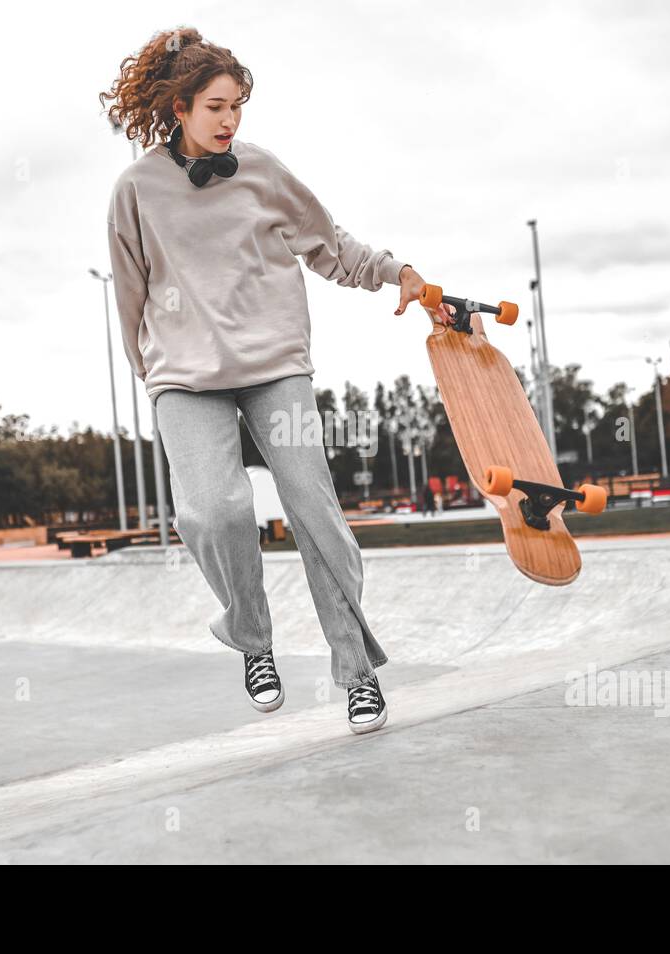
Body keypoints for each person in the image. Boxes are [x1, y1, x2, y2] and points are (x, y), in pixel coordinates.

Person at [100, 27, 454, 734]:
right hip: (185, 379)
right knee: (213, 512)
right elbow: (130, 294)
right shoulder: (135, 190)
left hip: (274, 368)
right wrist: (152, 379)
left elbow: (329, 243)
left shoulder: (261, 170)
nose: (230, 121)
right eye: (215, 107)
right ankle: (252, 640)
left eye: (238, 106)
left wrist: (398, 271)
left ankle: (356, 673)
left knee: (314, 511)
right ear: (178, 107)